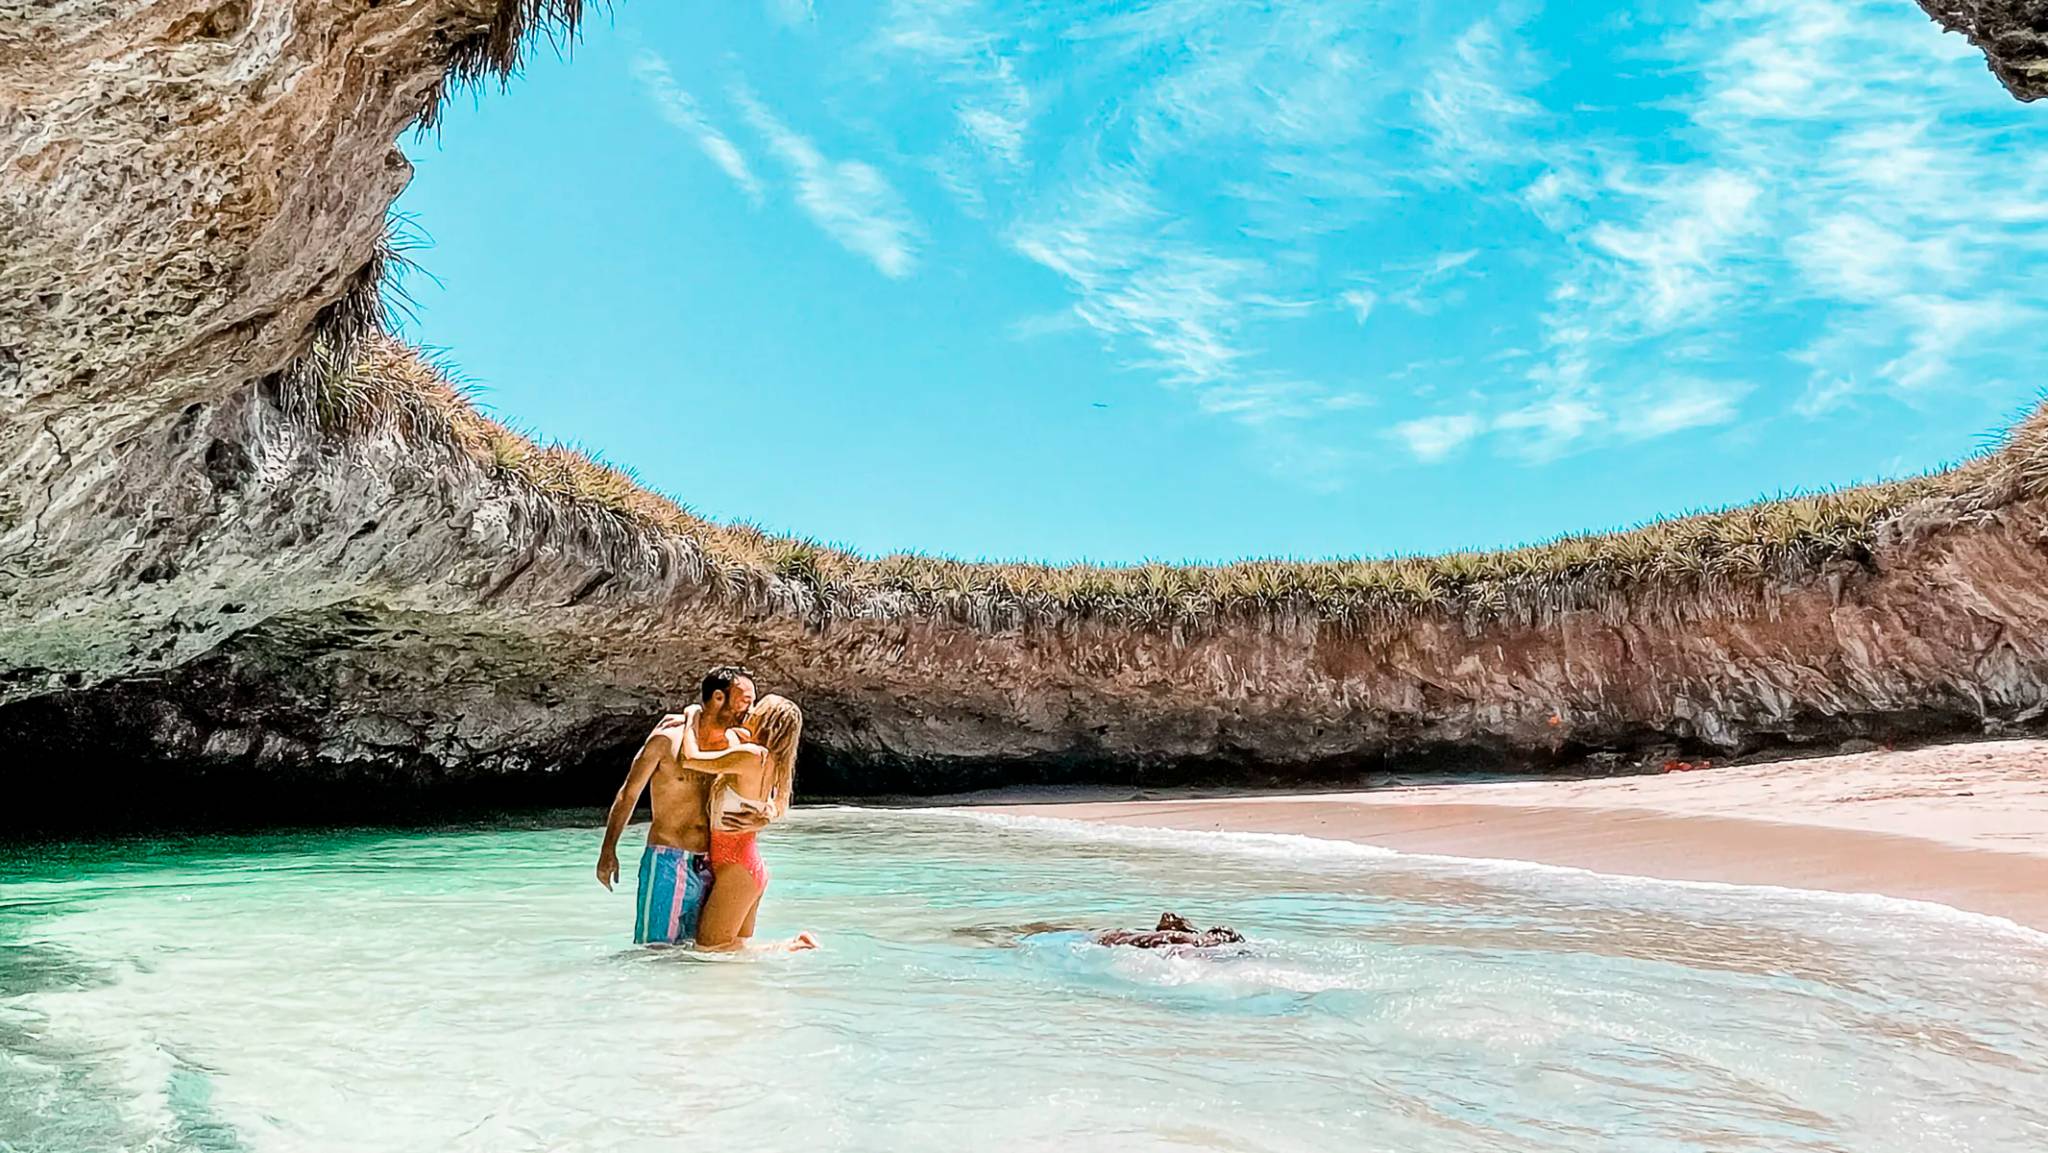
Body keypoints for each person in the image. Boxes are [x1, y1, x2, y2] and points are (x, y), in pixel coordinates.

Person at [594, 665, 772, 946]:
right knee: (656, 952)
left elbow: (766, 793)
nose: (749, 710)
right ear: (717, 697)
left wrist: (765, 816)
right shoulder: (667, 739)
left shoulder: (738, 742)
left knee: (700, 955)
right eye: (745, 701)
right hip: (668, 859)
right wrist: (608, 851)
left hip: (714, 864)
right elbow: (628, 794)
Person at [681, 694, 807, 951]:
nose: (749, 711)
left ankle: (795, 947)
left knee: (708, 949)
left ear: (767, 720)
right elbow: (770, 806)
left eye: (756, 708)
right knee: (734, 948)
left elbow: (690, 759)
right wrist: (764, 818)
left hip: (736, 870)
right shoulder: (770, 761)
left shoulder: (751, 756)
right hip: (745, 867)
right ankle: (794, 946)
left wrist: (691, 717)